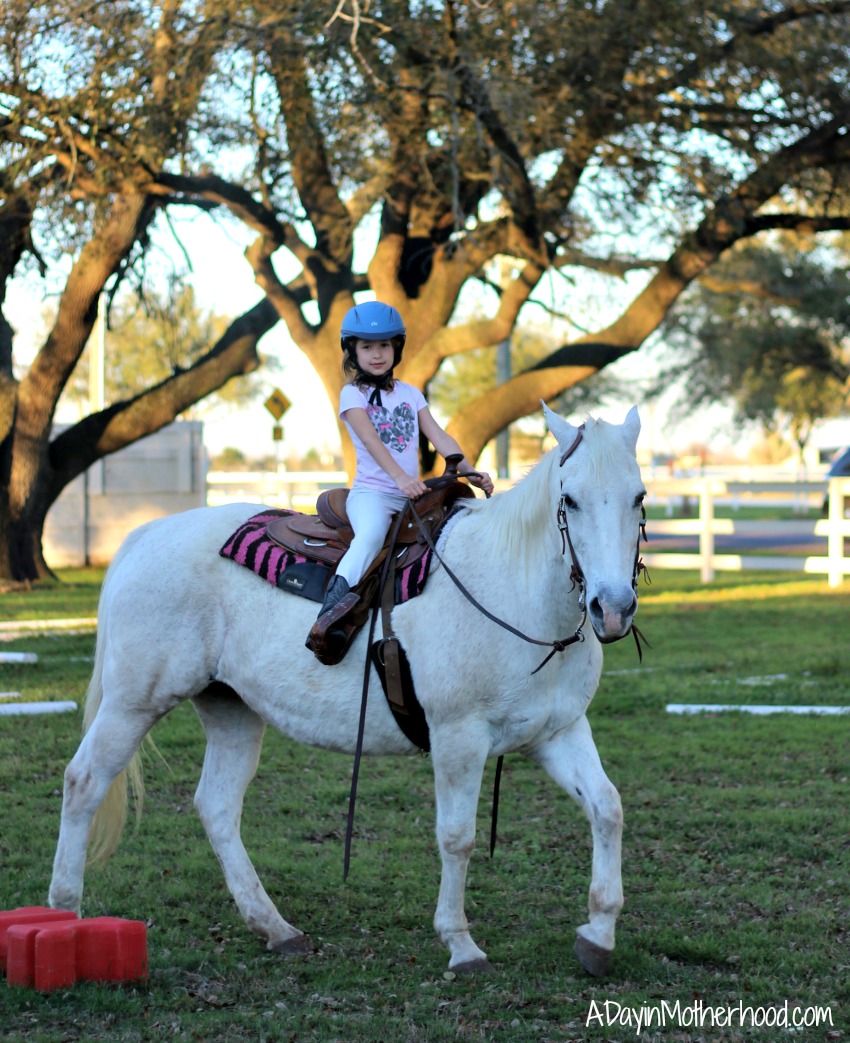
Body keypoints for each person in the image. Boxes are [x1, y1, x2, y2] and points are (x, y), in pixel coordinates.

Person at [313, 300, 494, 625]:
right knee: (370, 538)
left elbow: (439, 435)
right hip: (373, 495)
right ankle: (327, 617)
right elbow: (371, 439)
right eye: (367, 347)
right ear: (352, 351)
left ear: (396, 347)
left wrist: (470, 472)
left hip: (413, 496)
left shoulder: (411, 393)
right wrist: (400, 478)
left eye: (384, 345)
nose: (377, 354)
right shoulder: (352, 394)